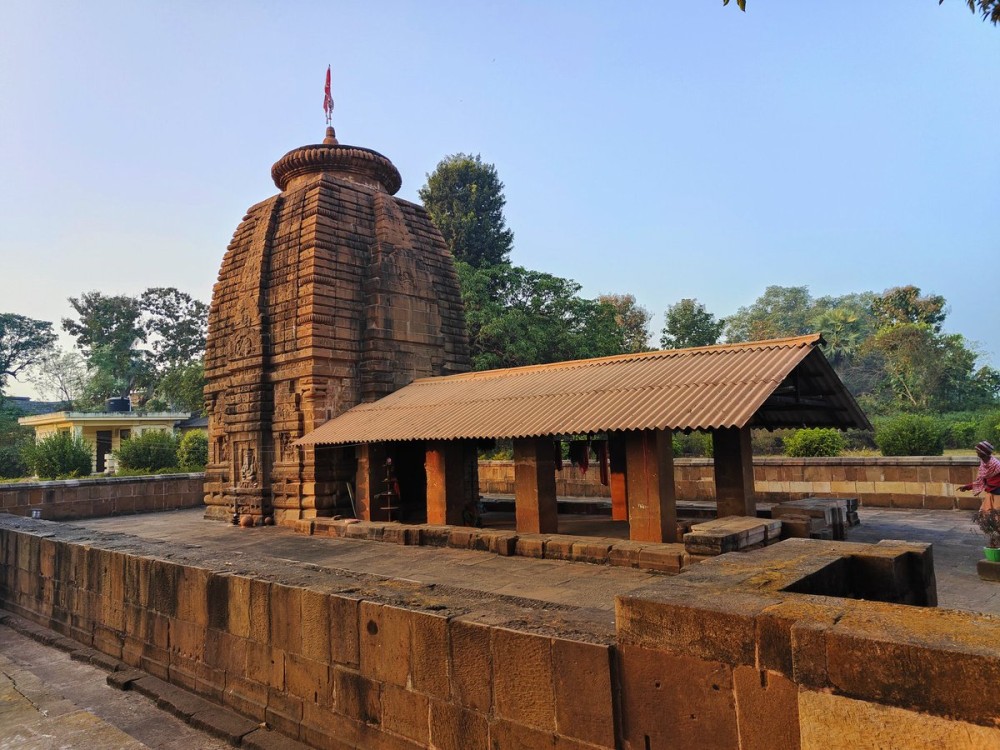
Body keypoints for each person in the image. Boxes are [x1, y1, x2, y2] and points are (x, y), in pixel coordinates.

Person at [958, 440, 1000, 512]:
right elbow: (980, 481)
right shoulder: (983, 465)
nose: (976, 452)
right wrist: (967, 487)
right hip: (990, 494)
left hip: (998, 495)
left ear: (984, 452)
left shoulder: (997, 465)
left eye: (978, 450)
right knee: (986, 516)